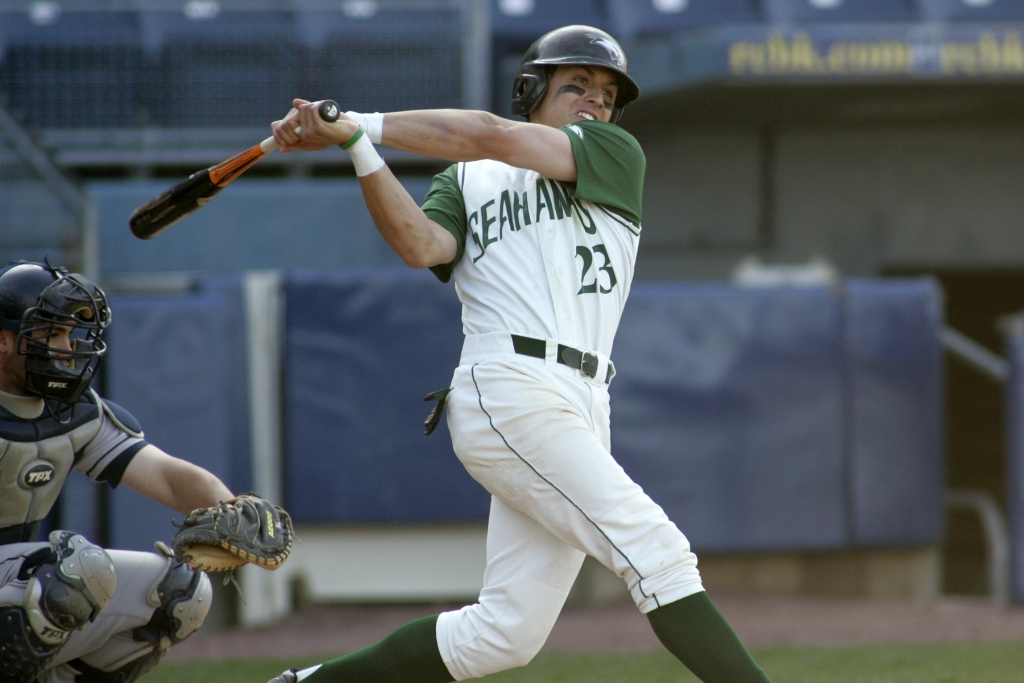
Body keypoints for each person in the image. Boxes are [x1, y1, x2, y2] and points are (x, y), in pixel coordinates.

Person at [267, 25, 773, 683]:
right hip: (510, 384)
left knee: (503, 635)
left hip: (584, 400)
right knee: (658, 551)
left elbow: (495, 135)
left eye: (607, 92)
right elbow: (421, 244)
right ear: (531, 88)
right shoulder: (468, 180)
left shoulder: (614, 151)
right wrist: (360, 147)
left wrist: (361, 120)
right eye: (577, 85)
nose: (596, 101)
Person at [0, 260, 234, 683]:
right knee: (73, 573)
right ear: (3, 339)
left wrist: (232, 510)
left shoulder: (74, 410)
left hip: (7, 578)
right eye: (52, 334)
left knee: (179, 594)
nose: (68, 349)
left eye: (69, 334)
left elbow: (164, 475)